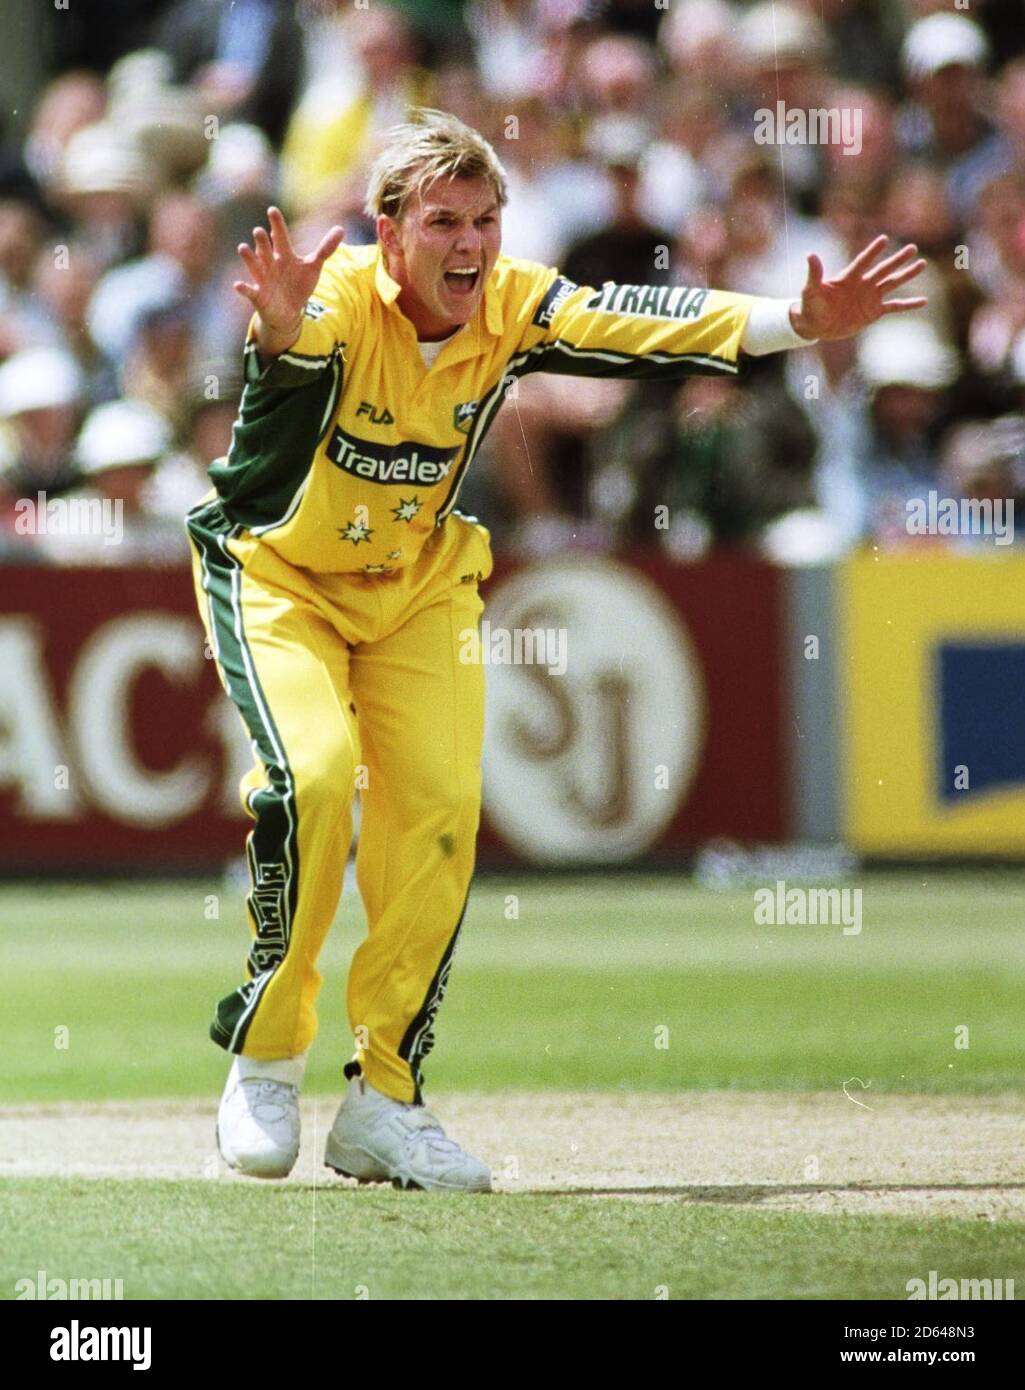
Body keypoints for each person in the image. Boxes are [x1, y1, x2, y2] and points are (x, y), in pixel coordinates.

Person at [189, 108, 926, 1193]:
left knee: (437, 818)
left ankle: (384, 1100)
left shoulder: (512, 303)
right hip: (277, 577)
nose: (470, 246)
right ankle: (265, 1056)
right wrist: (283, 330)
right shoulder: (336, 296)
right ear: (386, 232)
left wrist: (791, 321)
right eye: (442, 222)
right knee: (312, 777)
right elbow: (284, 372)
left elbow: (642, 323)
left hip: (418, 584)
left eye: (485, 220)